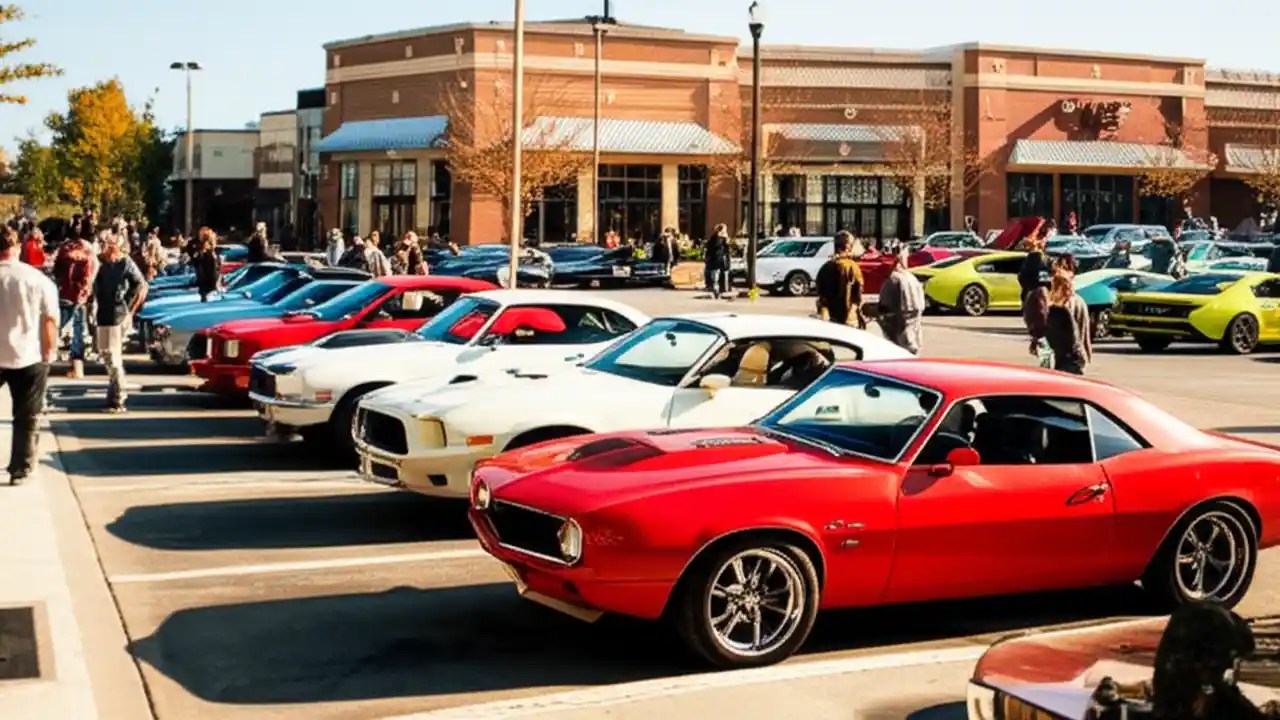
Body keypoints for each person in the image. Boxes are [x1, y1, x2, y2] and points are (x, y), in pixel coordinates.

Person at [0, 227, 58, 485]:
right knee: (26, 415)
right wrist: (49, 351)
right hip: (27, 354)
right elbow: (49, 319)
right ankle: (20, 467)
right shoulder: (37, 279)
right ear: (17, 247)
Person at [92, 231, 147, 412]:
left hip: (117, 313)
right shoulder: (99, 262)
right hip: (103, 313)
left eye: (109, 243)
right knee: (105, 355)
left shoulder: (125, 263)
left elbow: (139, 283)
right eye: (104, 243)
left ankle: (119, 396)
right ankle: (113, 391)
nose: (106, 246)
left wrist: (128, 304)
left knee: (113, 356)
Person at [52, 231, 98, 379]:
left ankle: (45, 355)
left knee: (58, 324)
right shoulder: (88, 252)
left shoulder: (64, 250)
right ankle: (77, 365)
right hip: (81, 295)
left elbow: (56, 270)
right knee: (79, 329)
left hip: (65, 292)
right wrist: (86, 292)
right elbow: (90, 274)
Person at [877, 250, 926, 354]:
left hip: (900, 323)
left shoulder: (893, 278)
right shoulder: (911, 277)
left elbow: (885, 304)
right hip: (913, 323)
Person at [1045, 271, 1091, 375]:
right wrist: (1088, 352)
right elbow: (1085, 331)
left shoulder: (1059, 308)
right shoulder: (1080, 301)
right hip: (1077, 355)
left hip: (1067, 357)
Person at [815, 231, 865, 327]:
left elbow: (821, 296)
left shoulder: (825, 267)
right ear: (847, 246)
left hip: (830, 321)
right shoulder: (852, 267)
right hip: (849, 322)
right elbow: (857, 298)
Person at [1018, 233, 1052, 304]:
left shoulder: (1027, 260)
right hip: (1041, 295)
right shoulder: (1043, 261)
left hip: (1028, 294)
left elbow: (1021, 277)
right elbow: (1045, 280)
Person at [703, 224, 731, 299]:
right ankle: (716, 291)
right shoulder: (717, 239)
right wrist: (725, 239)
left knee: (719, 277)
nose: (726, 232)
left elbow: (727, 251)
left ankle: (719, 291)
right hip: (716, 261)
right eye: (724, 230)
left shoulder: (717, 239)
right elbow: (716, 249)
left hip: (719, 261)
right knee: (716, 277)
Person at [194, 228, 222, 302]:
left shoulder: (207, 253)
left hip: (207, 282)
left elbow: (214, 269)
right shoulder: (211, 253)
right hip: (208, 282)